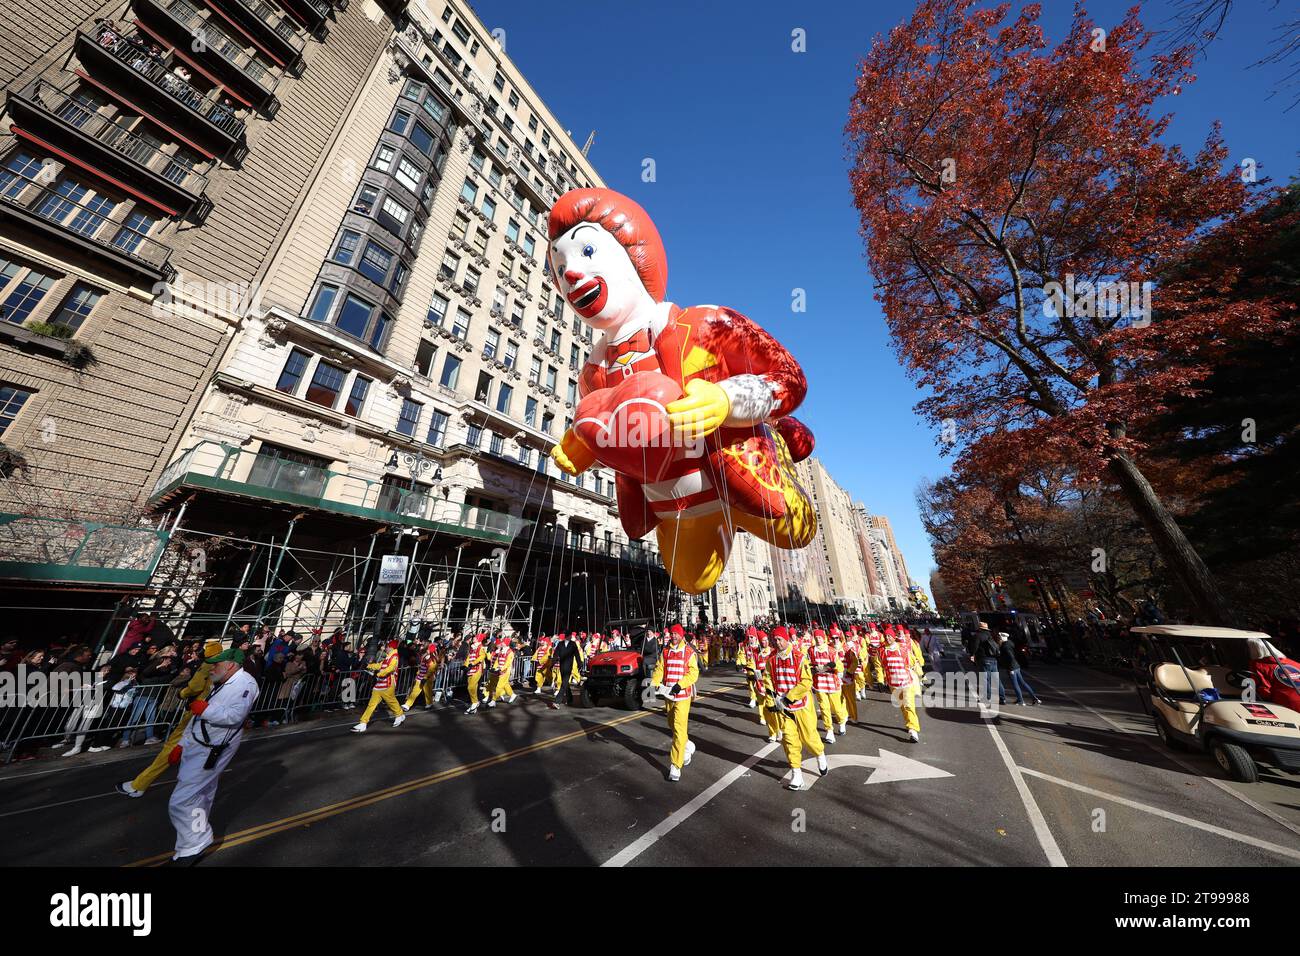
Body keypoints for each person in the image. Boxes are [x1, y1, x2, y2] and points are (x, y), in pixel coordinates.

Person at [167, 648, 258, 864]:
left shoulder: (246, 684)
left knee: (181, 800)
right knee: (200, 794)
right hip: (199, 744)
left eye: (217, 664)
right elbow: (199, 718)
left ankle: (193, 846)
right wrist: (182, 743)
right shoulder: (222, 683)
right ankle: (194, 842)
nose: (212, 668)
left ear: (231, 665)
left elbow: (235, 716)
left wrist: (205, 710)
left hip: (214, 748)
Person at [117, 641, 224, 798]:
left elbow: (195, 686)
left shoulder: (209, 665)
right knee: (204, 754)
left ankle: (140, 784)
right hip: (216, 715)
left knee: (172, 747)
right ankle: (198, 791)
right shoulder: (232, 667)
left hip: (198, 712)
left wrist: (183, 693)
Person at [763, 626, 827, 790]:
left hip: (801, 705)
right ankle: (796, 774)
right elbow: (768, 679)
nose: (777, 643)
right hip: (784, 708)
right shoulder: (771, 659)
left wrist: (790, 697)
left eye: (780, 640)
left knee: (808, 737)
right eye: (774, 640)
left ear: (786, 639)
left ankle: (820, 754)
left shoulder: (799, 656)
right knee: (789, 740)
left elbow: (806, 682)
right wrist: (772, 700)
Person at [650, 624, 698, 782]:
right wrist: (655, 683)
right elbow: (659, 669)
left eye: (676, 634)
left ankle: (675, 766)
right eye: (672, 634)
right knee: (672, 724)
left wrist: (681, 684)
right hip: (668, 695)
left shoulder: (689, 652)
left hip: (683, 696)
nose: (673, 636)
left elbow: (693, 673)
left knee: (678, 727)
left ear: (681, 635)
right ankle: (688, 744)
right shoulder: (665, 651)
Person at [880, 625, 925, 742]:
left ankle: (913, 730)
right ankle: (909, 723)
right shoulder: (882, 650)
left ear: (894, 637)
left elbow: (912, 661)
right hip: (893, 684)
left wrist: (915, 671)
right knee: (902, 706)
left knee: (908, 705)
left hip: (906, 682)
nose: (887, 638)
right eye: (886, 636)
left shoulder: (903, 648)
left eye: (889, 636)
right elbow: (883, 665)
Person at [351, 640, 406, 733]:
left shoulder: (394, 657)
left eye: (387, 646)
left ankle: (399, 714)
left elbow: (391, 668)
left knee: (391, 701)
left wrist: (379, 674)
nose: (385, 648)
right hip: (380, 683)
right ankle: (363, 723)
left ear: (391, 647)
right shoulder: (389, 657)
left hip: (388, 683)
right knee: (372, 704)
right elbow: (381, 665)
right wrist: (370, 666)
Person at [809, 628, 845, 744]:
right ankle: (829, 730)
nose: (818, 640)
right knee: (824, 708)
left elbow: (840, 667)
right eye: (816, 638)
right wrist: (813, 668)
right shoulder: (811, 651)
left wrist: (832, 666)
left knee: (837, 708)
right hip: (819, 683)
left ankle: (841, 721)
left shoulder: (831, 650)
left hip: (832, 682)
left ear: (823, 638)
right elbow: (807, 664)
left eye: (820, 637)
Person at [998, 632, 1041, 705]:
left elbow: (1010, 657)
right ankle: (1034, 698)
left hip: (1012, 667)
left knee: (1015, 684)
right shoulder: (1010, 643)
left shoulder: (1005, 646)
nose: (999, 638)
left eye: (999, 637)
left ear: (1002, 638)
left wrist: (1010, 669)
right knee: (1023, 683)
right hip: (1016, 666)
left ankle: (1021, 701)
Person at [970, 622, 1005, 706]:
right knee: (996, 679)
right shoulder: (992, 635)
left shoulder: (978, 636)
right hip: (994, 660)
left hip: (984, 659)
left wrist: (972, 655)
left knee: (985, 680)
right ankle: (1002, 698)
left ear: (979, 628)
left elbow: (974, 647)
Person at [403, 640, 440, 711]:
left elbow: (431, 669)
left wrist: (425, 677)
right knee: (415, 691)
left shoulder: (432, 658)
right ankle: (407, 705)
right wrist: (418, 673)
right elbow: (422, 666)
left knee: (427, 691)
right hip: (421, 677)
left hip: (427, 678)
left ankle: (429, 703)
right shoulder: (426, 656)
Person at [548, 632, 581, 710]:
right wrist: (552, 664)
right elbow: (556, 655)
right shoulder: (560, 644)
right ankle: (570, 699)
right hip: (562, 666)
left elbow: (577, 654)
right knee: (565, 683)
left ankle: (557, 701)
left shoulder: (573, 644)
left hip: (569, 667)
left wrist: (580, 664)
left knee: (563, 684)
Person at [486, 635, 518, 707]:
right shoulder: (501, 651)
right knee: (505, 684)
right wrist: (495, 667)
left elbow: (508, 662)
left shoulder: (510, 652)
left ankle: (493, 701)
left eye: (503, 642)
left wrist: (502, 668)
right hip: (499, 670)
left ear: (506, 643)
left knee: (499, 686)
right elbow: (497, 660)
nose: (501, 643)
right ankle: (512, 695)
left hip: (505, 671)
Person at [463, 633, 488, 714]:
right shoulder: (472, 647)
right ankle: (474, 704)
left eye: (475, 638)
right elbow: (468, 657)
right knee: (471, 687)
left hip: (477, 669)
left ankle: (474, 702)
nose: (473, 639)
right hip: (471, 669)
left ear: (478, 639)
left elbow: (482, 656)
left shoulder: (481, 647)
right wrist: (465, 665)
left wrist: (473, 663)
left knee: (471, 687)